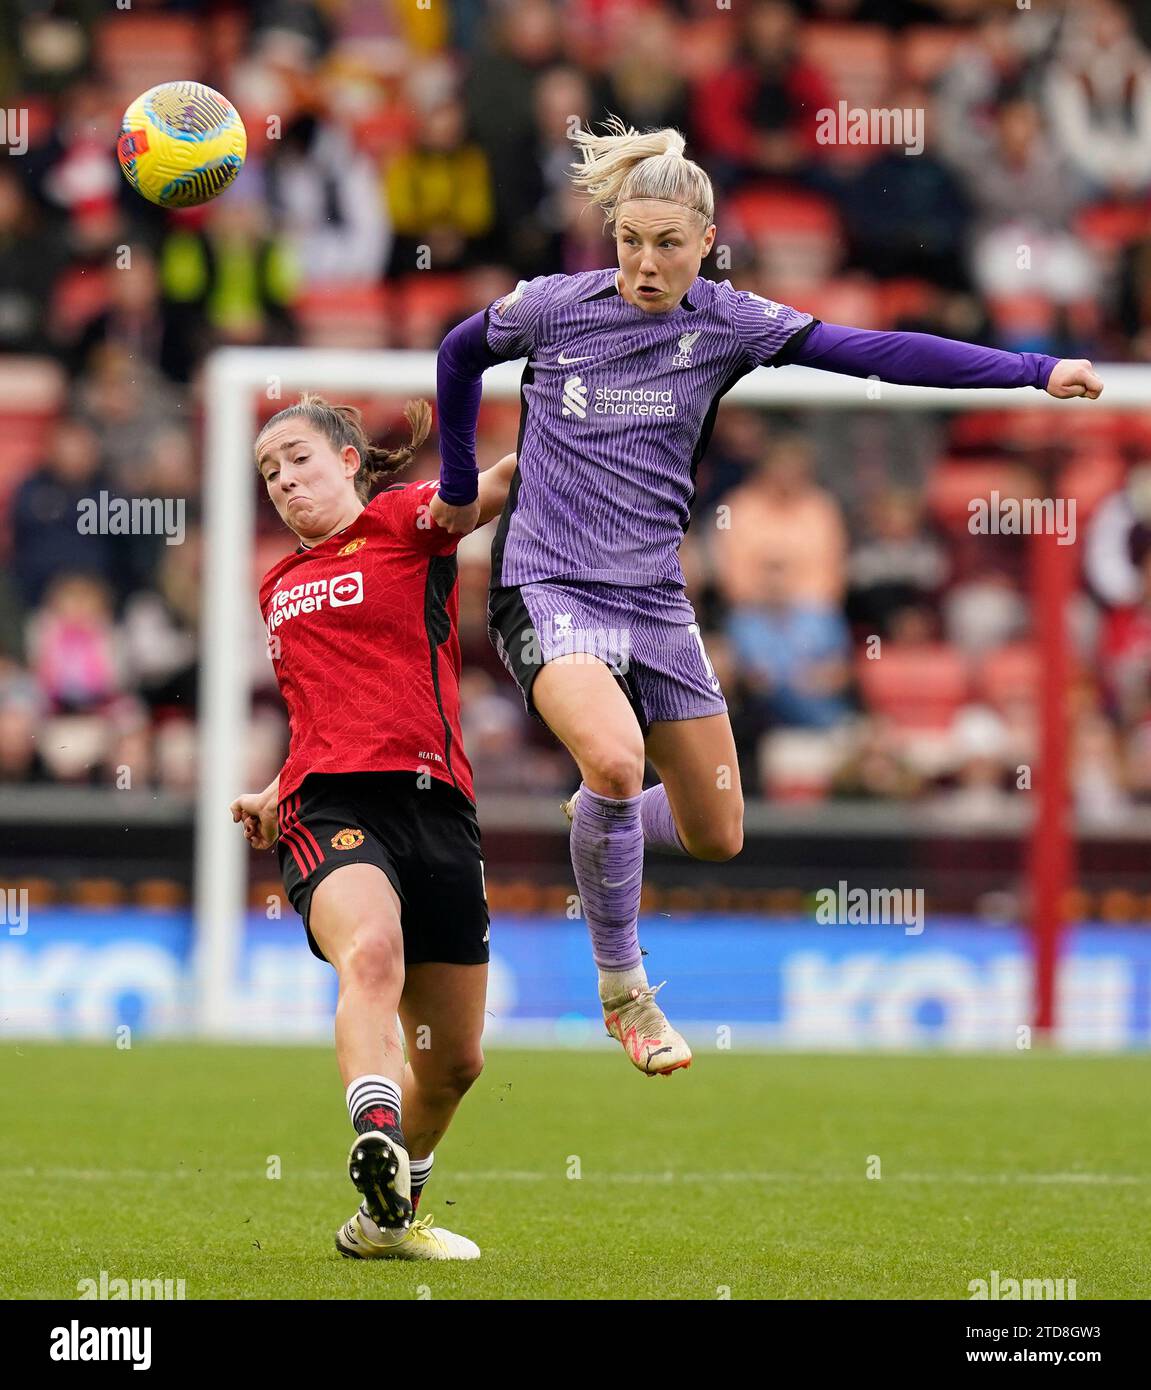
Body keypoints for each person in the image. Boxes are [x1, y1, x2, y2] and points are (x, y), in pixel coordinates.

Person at [432, 114, 1104, 1078]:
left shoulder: (727, 322)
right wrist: (459, 491)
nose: (647, 263)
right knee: (618, 764)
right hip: (548, 582)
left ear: (706, 244)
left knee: (716, 830)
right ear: (610, 234)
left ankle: (597, 826)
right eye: (630, 241)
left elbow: (880, 353)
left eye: (668, 244)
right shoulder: (552, 307)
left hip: (655, 599)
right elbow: (459, 354)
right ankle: (626, 993)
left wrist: (1035, 371)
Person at [230, 394, 516, 1259]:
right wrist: (283, 783)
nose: (282, 480)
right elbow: (325, 708)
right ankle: (374, 1128)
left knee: (457, 1060)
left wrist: (584, 409)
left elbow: (497, 483)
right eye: (269, 471)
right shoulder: (274, 583)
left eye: (297, 459)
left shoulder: (404, 524)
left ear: (350, 460)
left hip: (437, 806)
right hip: (332, 810)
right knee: (373, 953)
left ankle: (386, 1219)